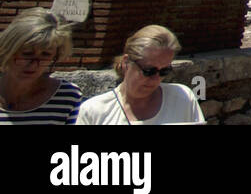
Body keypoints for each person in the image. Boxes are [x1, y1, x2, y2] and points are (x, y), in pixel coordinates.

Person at [76, 25, 204, 125]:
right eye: (149, 71)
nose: (156, 79)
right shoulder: (94, 111)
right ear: (126, 63)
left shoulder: (182, 98)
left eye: (164, 71)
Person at [0, 8, 82, 124]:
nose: (34, 65)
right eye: (27, 54)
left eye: (45, 55)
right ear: (9, 50)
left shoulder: (68, 97)